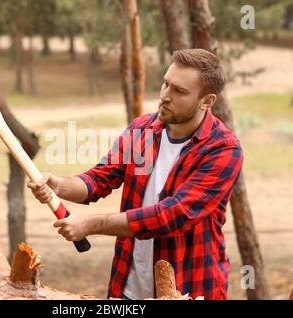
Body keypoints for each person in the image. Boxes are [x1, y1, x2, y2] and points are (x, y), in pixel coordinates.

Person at [27, 48, 243, 300]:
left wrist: (90, 224)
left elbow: (171, 215)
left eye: (179, 91)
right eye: (165, 84)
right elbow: (99, 179)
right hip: (129, 288)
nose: (165, 96)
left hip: (189, 288)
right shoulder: (143, 130)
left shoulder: (222, 149)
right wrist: (59, 185)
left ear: (207, 101)